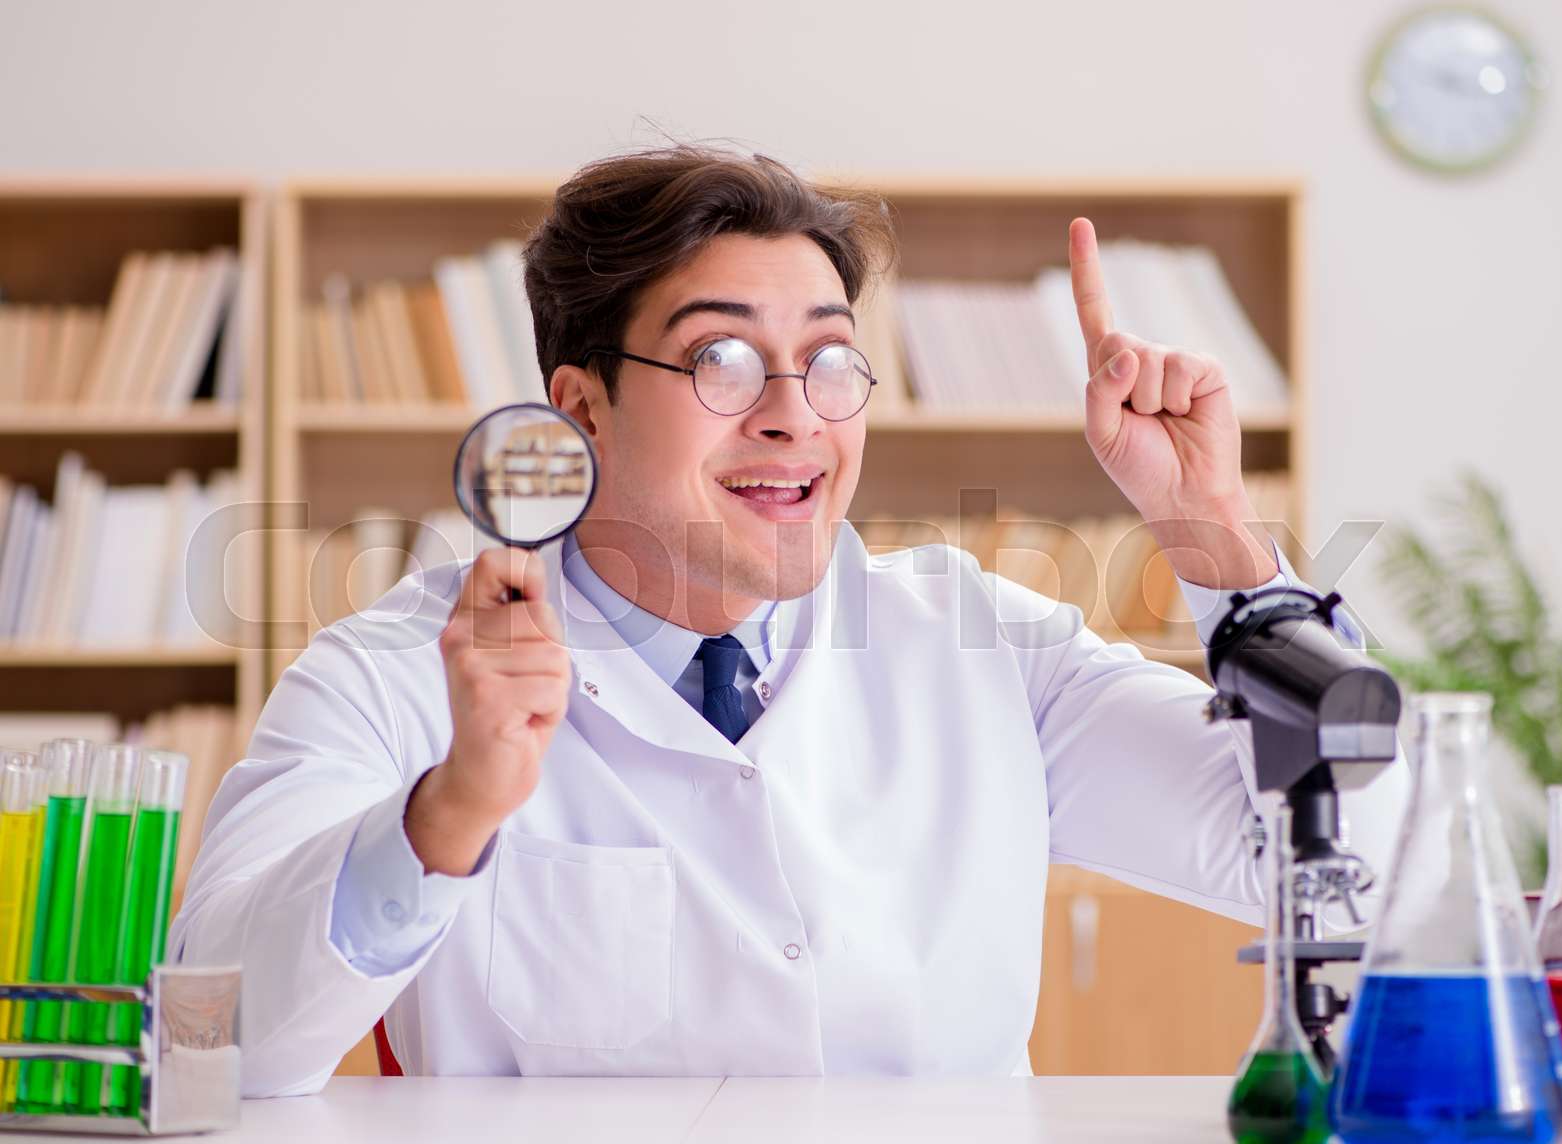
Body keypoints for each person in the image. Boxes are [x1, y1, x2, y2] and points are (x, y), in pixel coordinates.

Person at [172, 145, 1407, 1095]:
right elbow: (210, 1033)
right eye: (719, 362)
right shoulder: (393, 674)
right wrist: (451, 812)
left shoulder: (989, 649)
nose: (791, 415)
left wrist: (1217, 537)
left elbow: (1350, 858)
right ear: (579, 406)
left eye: (827, 361)